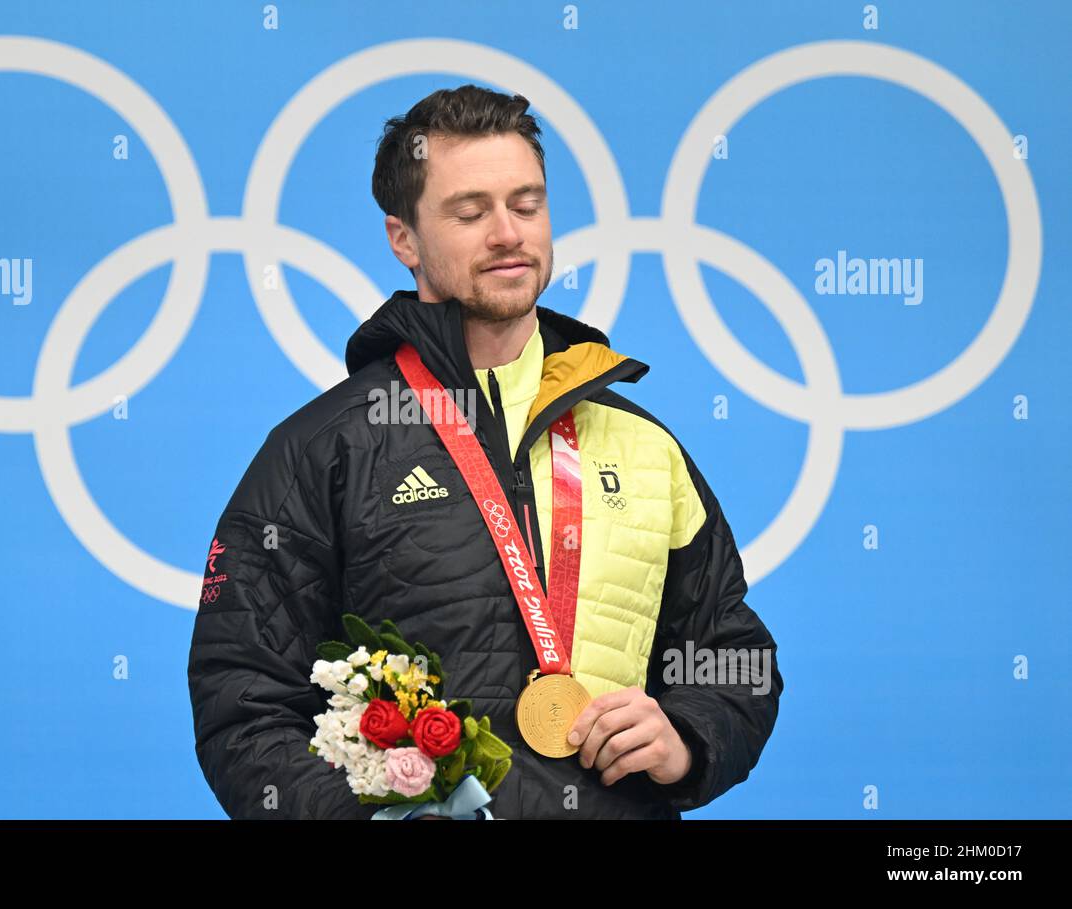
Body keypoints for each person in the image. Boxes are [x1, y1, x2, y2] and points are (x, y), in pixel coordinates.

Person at [188, 84, 783, 819]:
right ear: (403, 238)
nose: (508, 233)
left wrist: (688, 733)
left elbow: (735, 655)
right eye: (471, 212)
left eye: (527, 205)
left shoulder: (643, 444)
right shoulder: (321, 448)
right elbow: (242, 703)